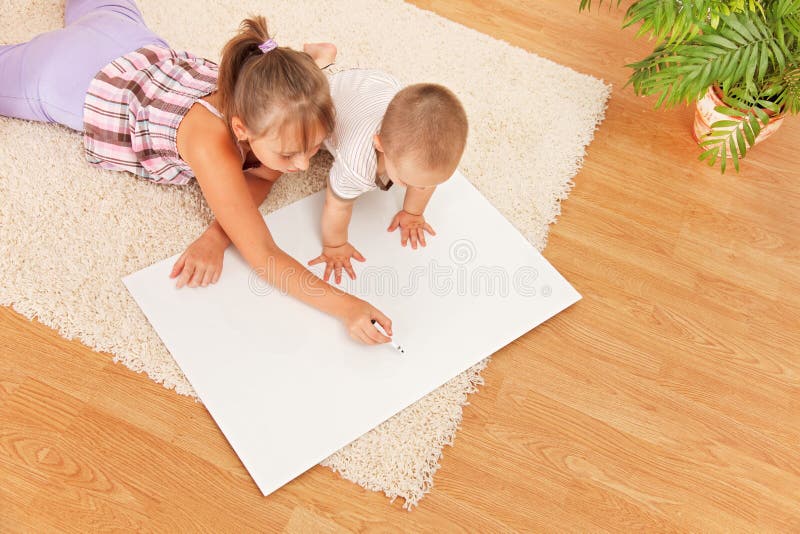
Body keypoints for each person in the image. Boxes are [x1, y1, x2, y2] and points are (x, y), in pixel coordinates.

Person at [0, 1, 393, 345]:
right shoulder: (211, 142)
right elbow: (263, 254)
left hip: (129, 38)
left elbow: (259, 177)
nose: (305, 166)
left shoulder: (273, 92)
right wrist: (347, 307)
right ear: (241, 130)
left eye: (314, 147)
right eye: (291, 154)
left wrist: (215, 234)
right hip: (70, 74)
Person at [308, 69, 469, 284]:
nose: (419, 188)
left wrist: (413, 213)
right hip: (328, 97)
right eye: (408, 182)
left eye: (430, 184)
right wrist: (335, 245)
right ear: (379, 145)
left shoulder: (407, 131)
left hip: (377, 85)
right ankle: (317, 64)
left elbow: (424, 181)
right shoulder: (356, 162)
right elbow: (337, 205)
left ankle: (321, 59)